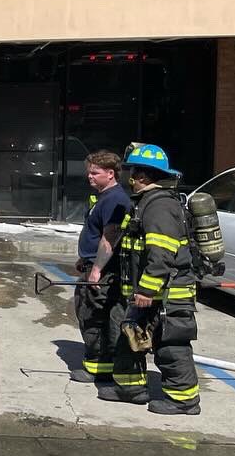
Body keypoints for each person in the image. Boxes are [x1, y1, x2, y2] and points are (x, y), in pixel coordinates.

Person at [112, 143, 201, 415]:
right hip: (150, 291)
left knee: (170, 345)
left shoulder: (159, 207)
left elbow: (161, 254)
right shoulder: (147, 204)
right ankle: (132, 390)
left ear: (144, 177)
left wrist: (148, 290)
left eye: (134, 173)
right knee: (132, 336)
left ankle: (184, 401)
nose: (130, 179)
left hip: (168, 293)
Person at [72, 150, 132, 397]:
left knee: (94, 316)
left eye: (95, 173)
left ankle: (98, 368)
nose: (90, 177)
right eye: (89, 172)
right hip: (93, 265)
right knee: (93, 316)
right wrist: (84, 259)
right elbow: (96, 235)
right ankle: (100, 367)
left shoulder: (115, 200)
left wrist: (96, 269)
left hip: (104, 273)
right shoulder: (105, 197)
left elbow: (110, 238)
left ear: (110, 173)